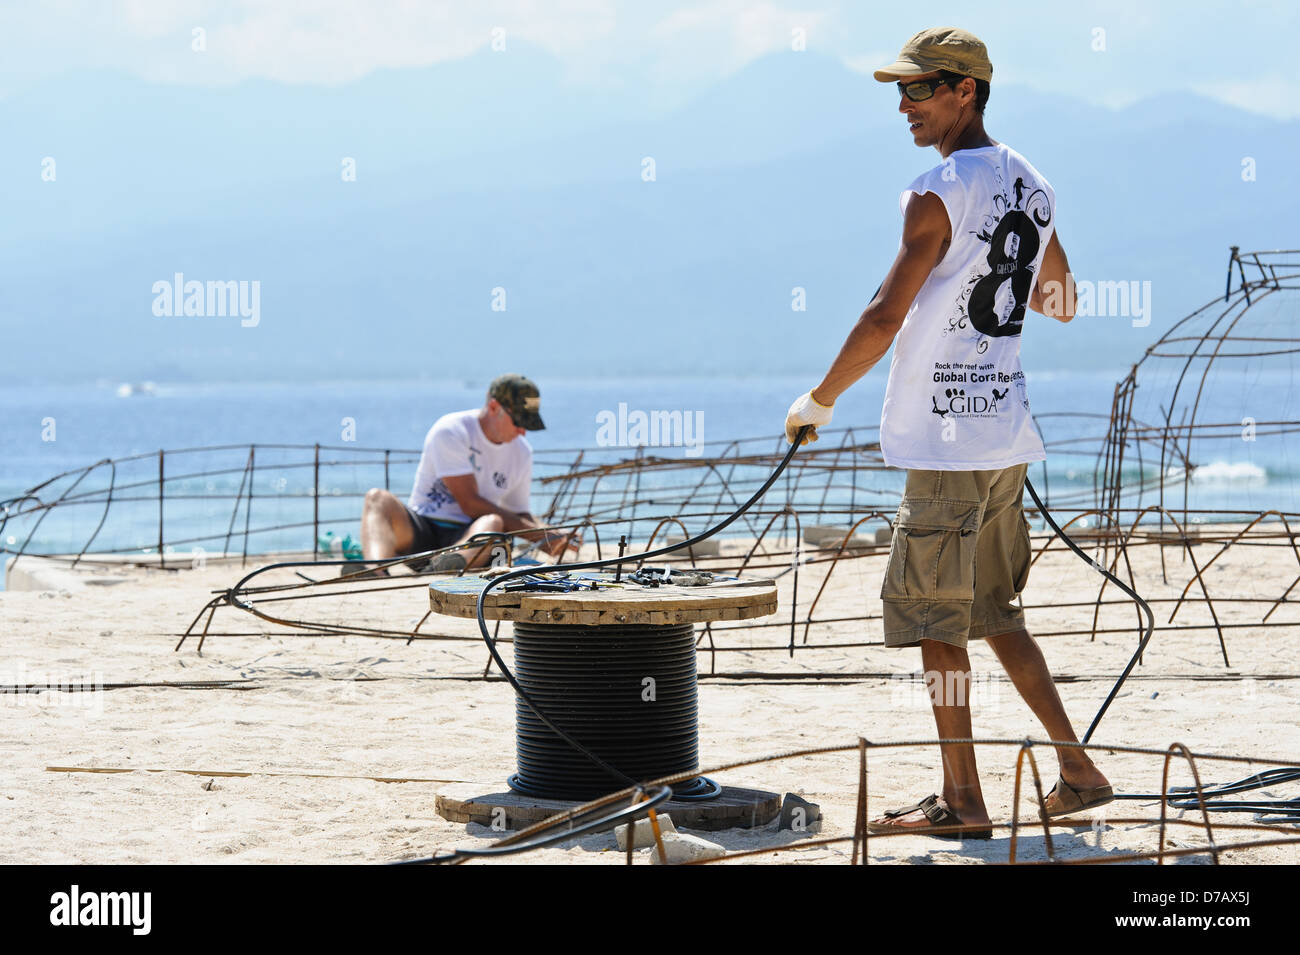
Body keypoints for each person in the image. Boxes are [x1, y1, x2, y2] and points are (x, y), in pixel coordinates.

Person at [783, 27, 1111, 839]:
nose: (904, 105)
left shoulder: (938, 189)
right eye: (901, 91)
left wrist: (819, 399)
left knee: (936, 622)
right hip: (1005, 434)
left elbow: (885, 314)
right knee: (996, 614)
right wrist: (1014, 252)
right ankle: (1077, 768)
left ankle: (963, 801)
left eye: (920, 89)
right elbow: (1060, 302)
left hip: (944, 442)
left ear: (966, 91)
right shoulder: (1031, 184)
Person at [360, 374, 573, 573]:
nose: (523, 432)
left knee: (492, 523)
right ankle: (375, 570)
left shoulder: (522, 452)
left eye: (529, 425)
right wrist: (542, 536)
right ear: (493, 407)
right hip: (423, 530)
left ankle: (448, 566)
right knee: (377, 498)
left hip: (472, 536)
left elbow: (520, 514)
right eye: (519, 422)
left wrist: (553, 537)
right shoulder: (451, 430)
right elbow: (470, 504)